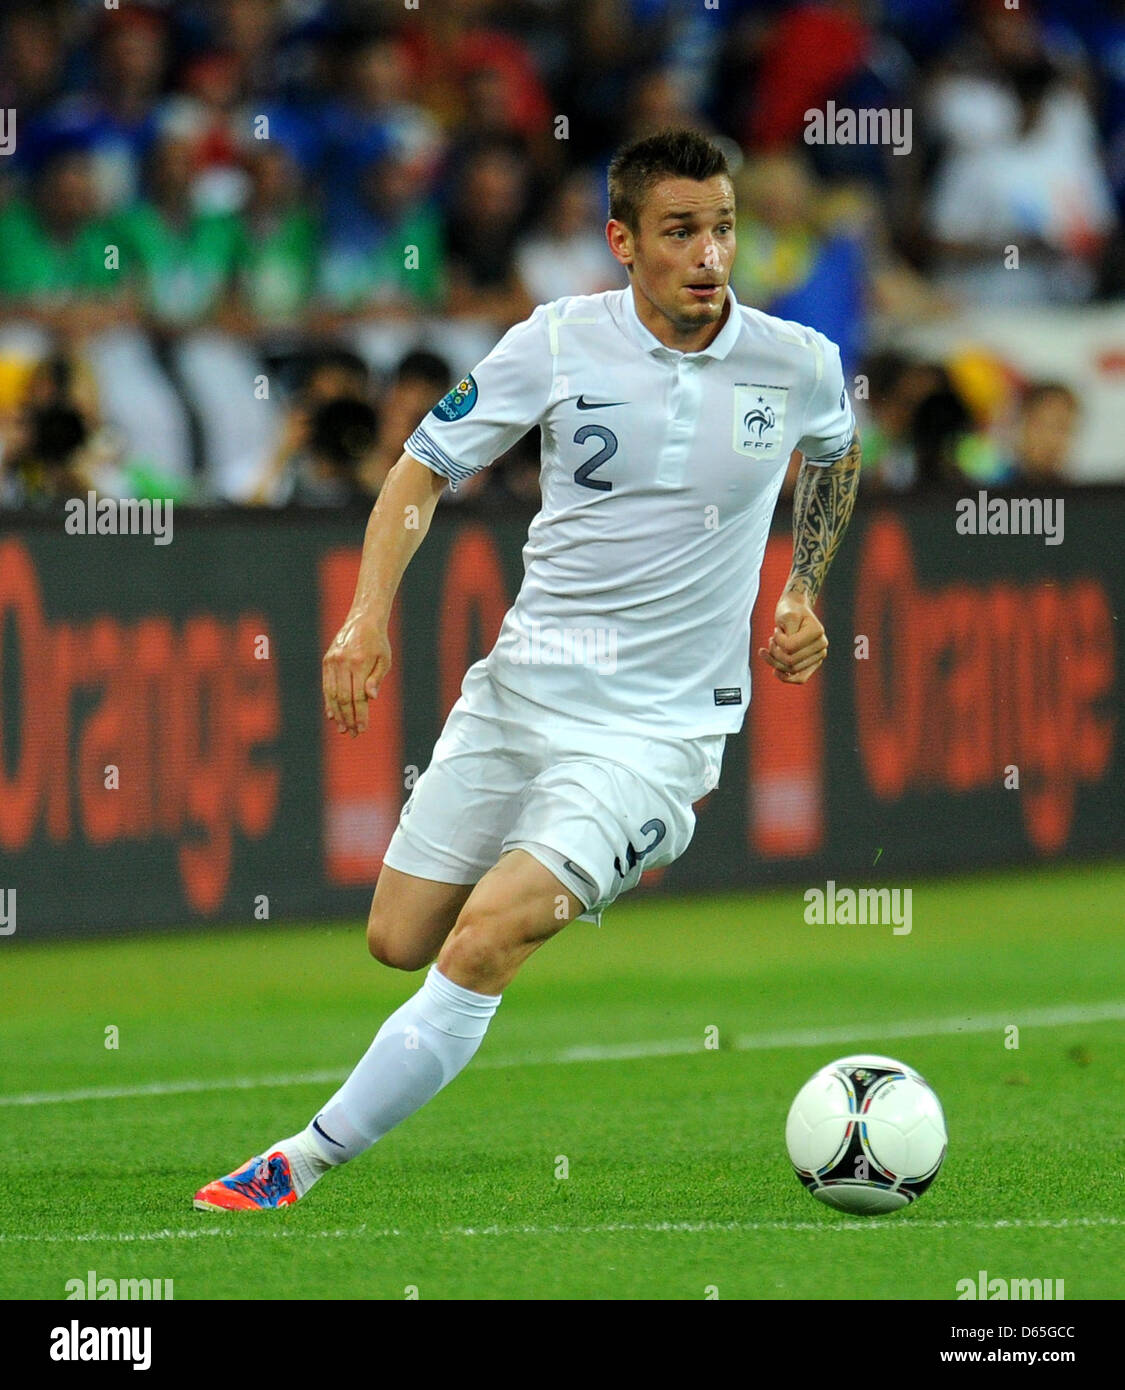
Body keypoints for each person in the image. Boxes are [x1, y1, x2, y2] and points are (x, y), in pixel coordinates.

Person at [193, 127, 861, 1211]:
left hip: (658, 732)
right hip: (522, 690)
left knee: (484, 937)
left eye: (725, 229)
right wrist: (366, 617)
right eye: (681, 231)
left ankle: (297, 1162)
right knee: (395, 938)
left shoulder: (796, 361)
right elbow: (419, 469)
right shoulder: (553, 344)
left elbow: (835, 454)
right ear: (622, 242)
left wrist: (803, 590)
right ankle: (548, 872)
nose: (709, 255)